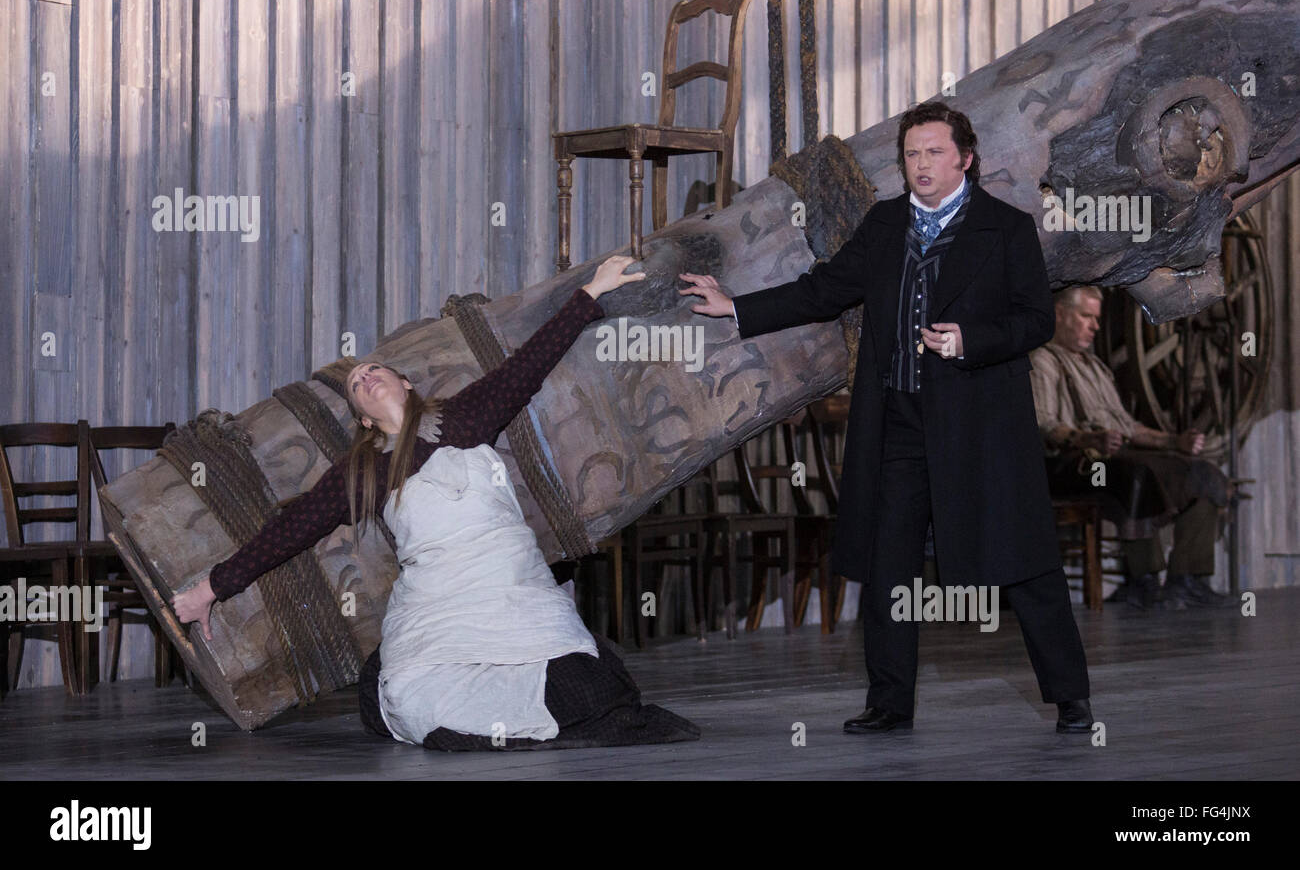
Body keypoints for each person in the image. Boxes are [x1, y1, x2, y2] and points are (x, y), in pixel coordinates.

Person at [679, 101, 1093, 735]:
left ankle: (1071, 699)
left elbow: (1036, 320)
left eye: (933, 152)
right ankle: (890, 701)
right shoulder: (884, 224)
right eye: (911, 155)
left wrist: (970, 340)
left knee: (1024, 560)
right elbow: (822, 290)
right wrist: (736, 307)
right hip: (898, 423)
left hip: (980, 430)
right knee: (886, 562)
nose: (921, 165)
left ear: (965, 159)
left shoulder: (1006, 230)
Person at [172, 255, 700, 751]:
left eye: (374, 369)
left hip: (511, 590)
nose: (365, 376)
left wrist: (591, 293)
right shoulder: (362, 470)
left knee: (592, 688)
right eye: (356, 384)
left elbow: (530, 365)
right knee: (403, 697)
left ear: (405, 382)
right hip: (441, 605)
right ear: (361, 417)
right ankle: (489, 716)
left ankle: (523, 716)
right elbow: (290, 532)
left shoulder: (464, 417)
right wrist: (211, 589)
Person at [1030, 285, 1231, 610]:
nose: (1095, 326)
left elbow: (1128, 427)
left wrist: (1172, 442)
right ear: (1059, 315)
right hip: (1070, 465)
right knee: (1137, 474)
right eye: (1086, 317)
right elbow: (1042, 425)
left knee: (1200, 473)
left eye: (1097, 318)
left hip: (1110, 456)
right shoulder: (1043, 360)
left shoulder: (1095, 368)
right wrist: (1086, 439)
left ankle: (1186, 579)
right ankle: (1144, 580)